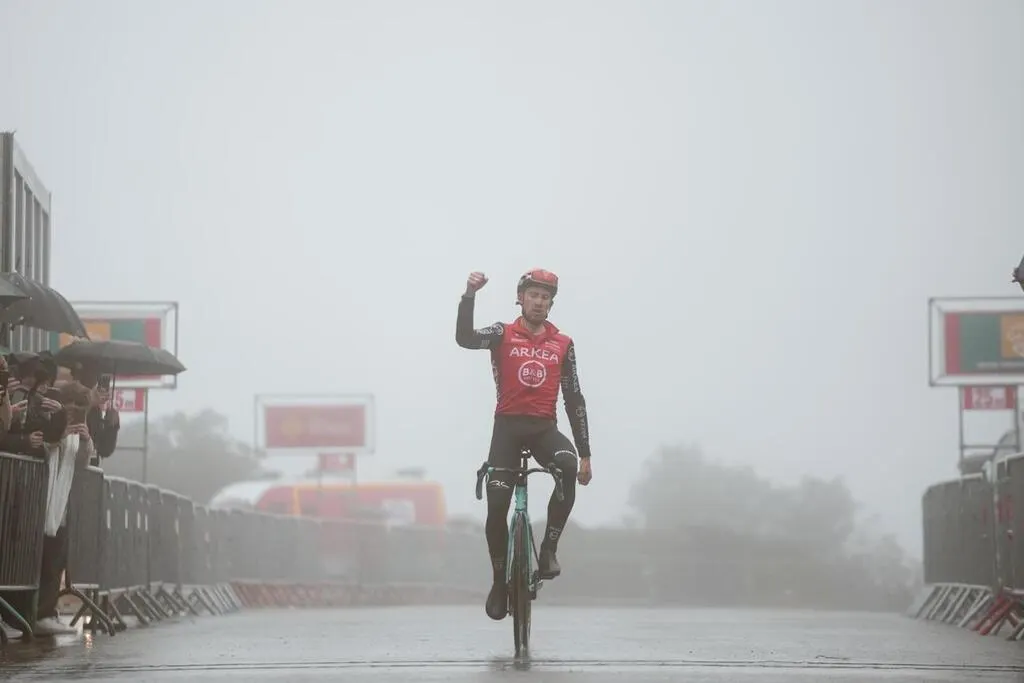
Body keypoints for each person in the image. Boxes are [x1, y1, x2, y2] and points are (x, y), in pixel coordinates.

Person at [456, 268, 593, 621]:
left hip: (544, 429)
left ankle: (548, 549)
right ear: (520, 298)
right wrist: (469, 295)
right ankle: (499, 582)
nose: (539, 302)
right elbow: (465, 338)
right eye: (533, 295)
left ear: (551, 304)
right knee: (497, 505)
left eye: (545, 297)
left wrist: (586, 455)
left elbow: (574, 398)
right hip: (507, 429)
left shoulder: (563, 344)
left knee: (565, 464)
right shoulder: (502, 334)